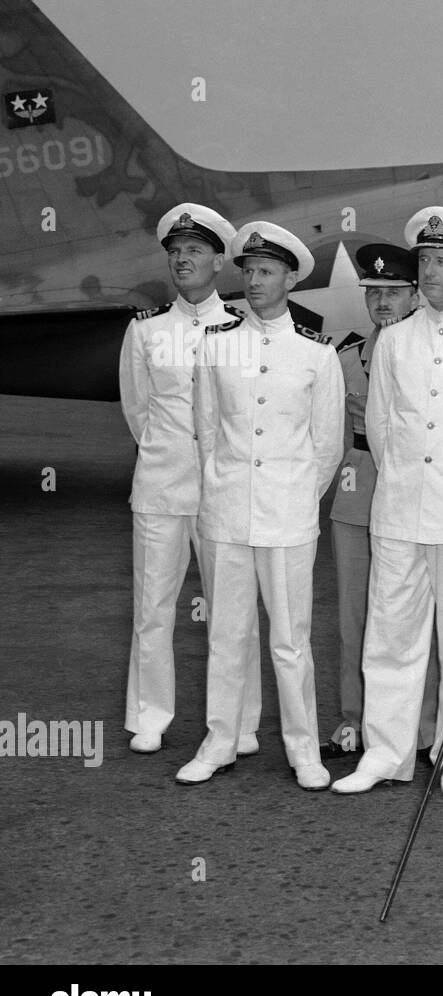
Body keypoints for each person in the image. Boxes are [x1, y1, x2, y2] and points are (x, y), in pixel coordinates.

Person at [331, 208, 443, 796]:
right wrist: (405, 485)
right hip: (399, 511)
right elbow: (379, 428)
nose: (430, 272)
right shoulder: (395, 341)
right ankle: (385, 752)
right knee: (390, 636)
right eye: (425, 260)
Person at [177, 221, 344, 791]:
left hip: (289, 517)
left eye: (266, 272)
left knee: (292, 641)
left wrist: (296, 498)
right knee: (226, 635)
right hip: (226, 512)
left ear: (290, 278)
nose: (253, 281)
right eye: (247, 271)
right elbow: (205, 432)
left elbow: (327, 446)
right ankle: (220, 740)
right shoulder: (216, 344)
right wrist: (223, 490)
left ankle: (303, 749)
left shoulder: (317, 356)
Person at [119, 203, 261, 756]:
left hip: (223, 491)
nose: (183, 260)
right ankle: (150, 716)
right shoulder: (147, 330)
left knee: (232, 612)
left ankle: (241, 722)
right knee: (153, 606)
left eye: (195, 251)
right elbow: (138, 411)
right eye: (176, 252)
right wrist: (168, 455)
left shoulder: (244, 330)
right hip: (161, 486)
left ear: (220, 261)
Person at [322, 243, 440, 760]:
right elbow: (331, 435)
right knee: (356, 616)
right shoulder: (347, 359)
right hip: (359, 488)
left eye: (393, 292)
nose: (383, 303)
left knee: (421, 616)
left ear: (415, 294)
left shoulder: (431, 352)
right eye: (374, 294)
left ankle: (429, 726)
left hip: (417, 487)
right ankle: (357, 720)